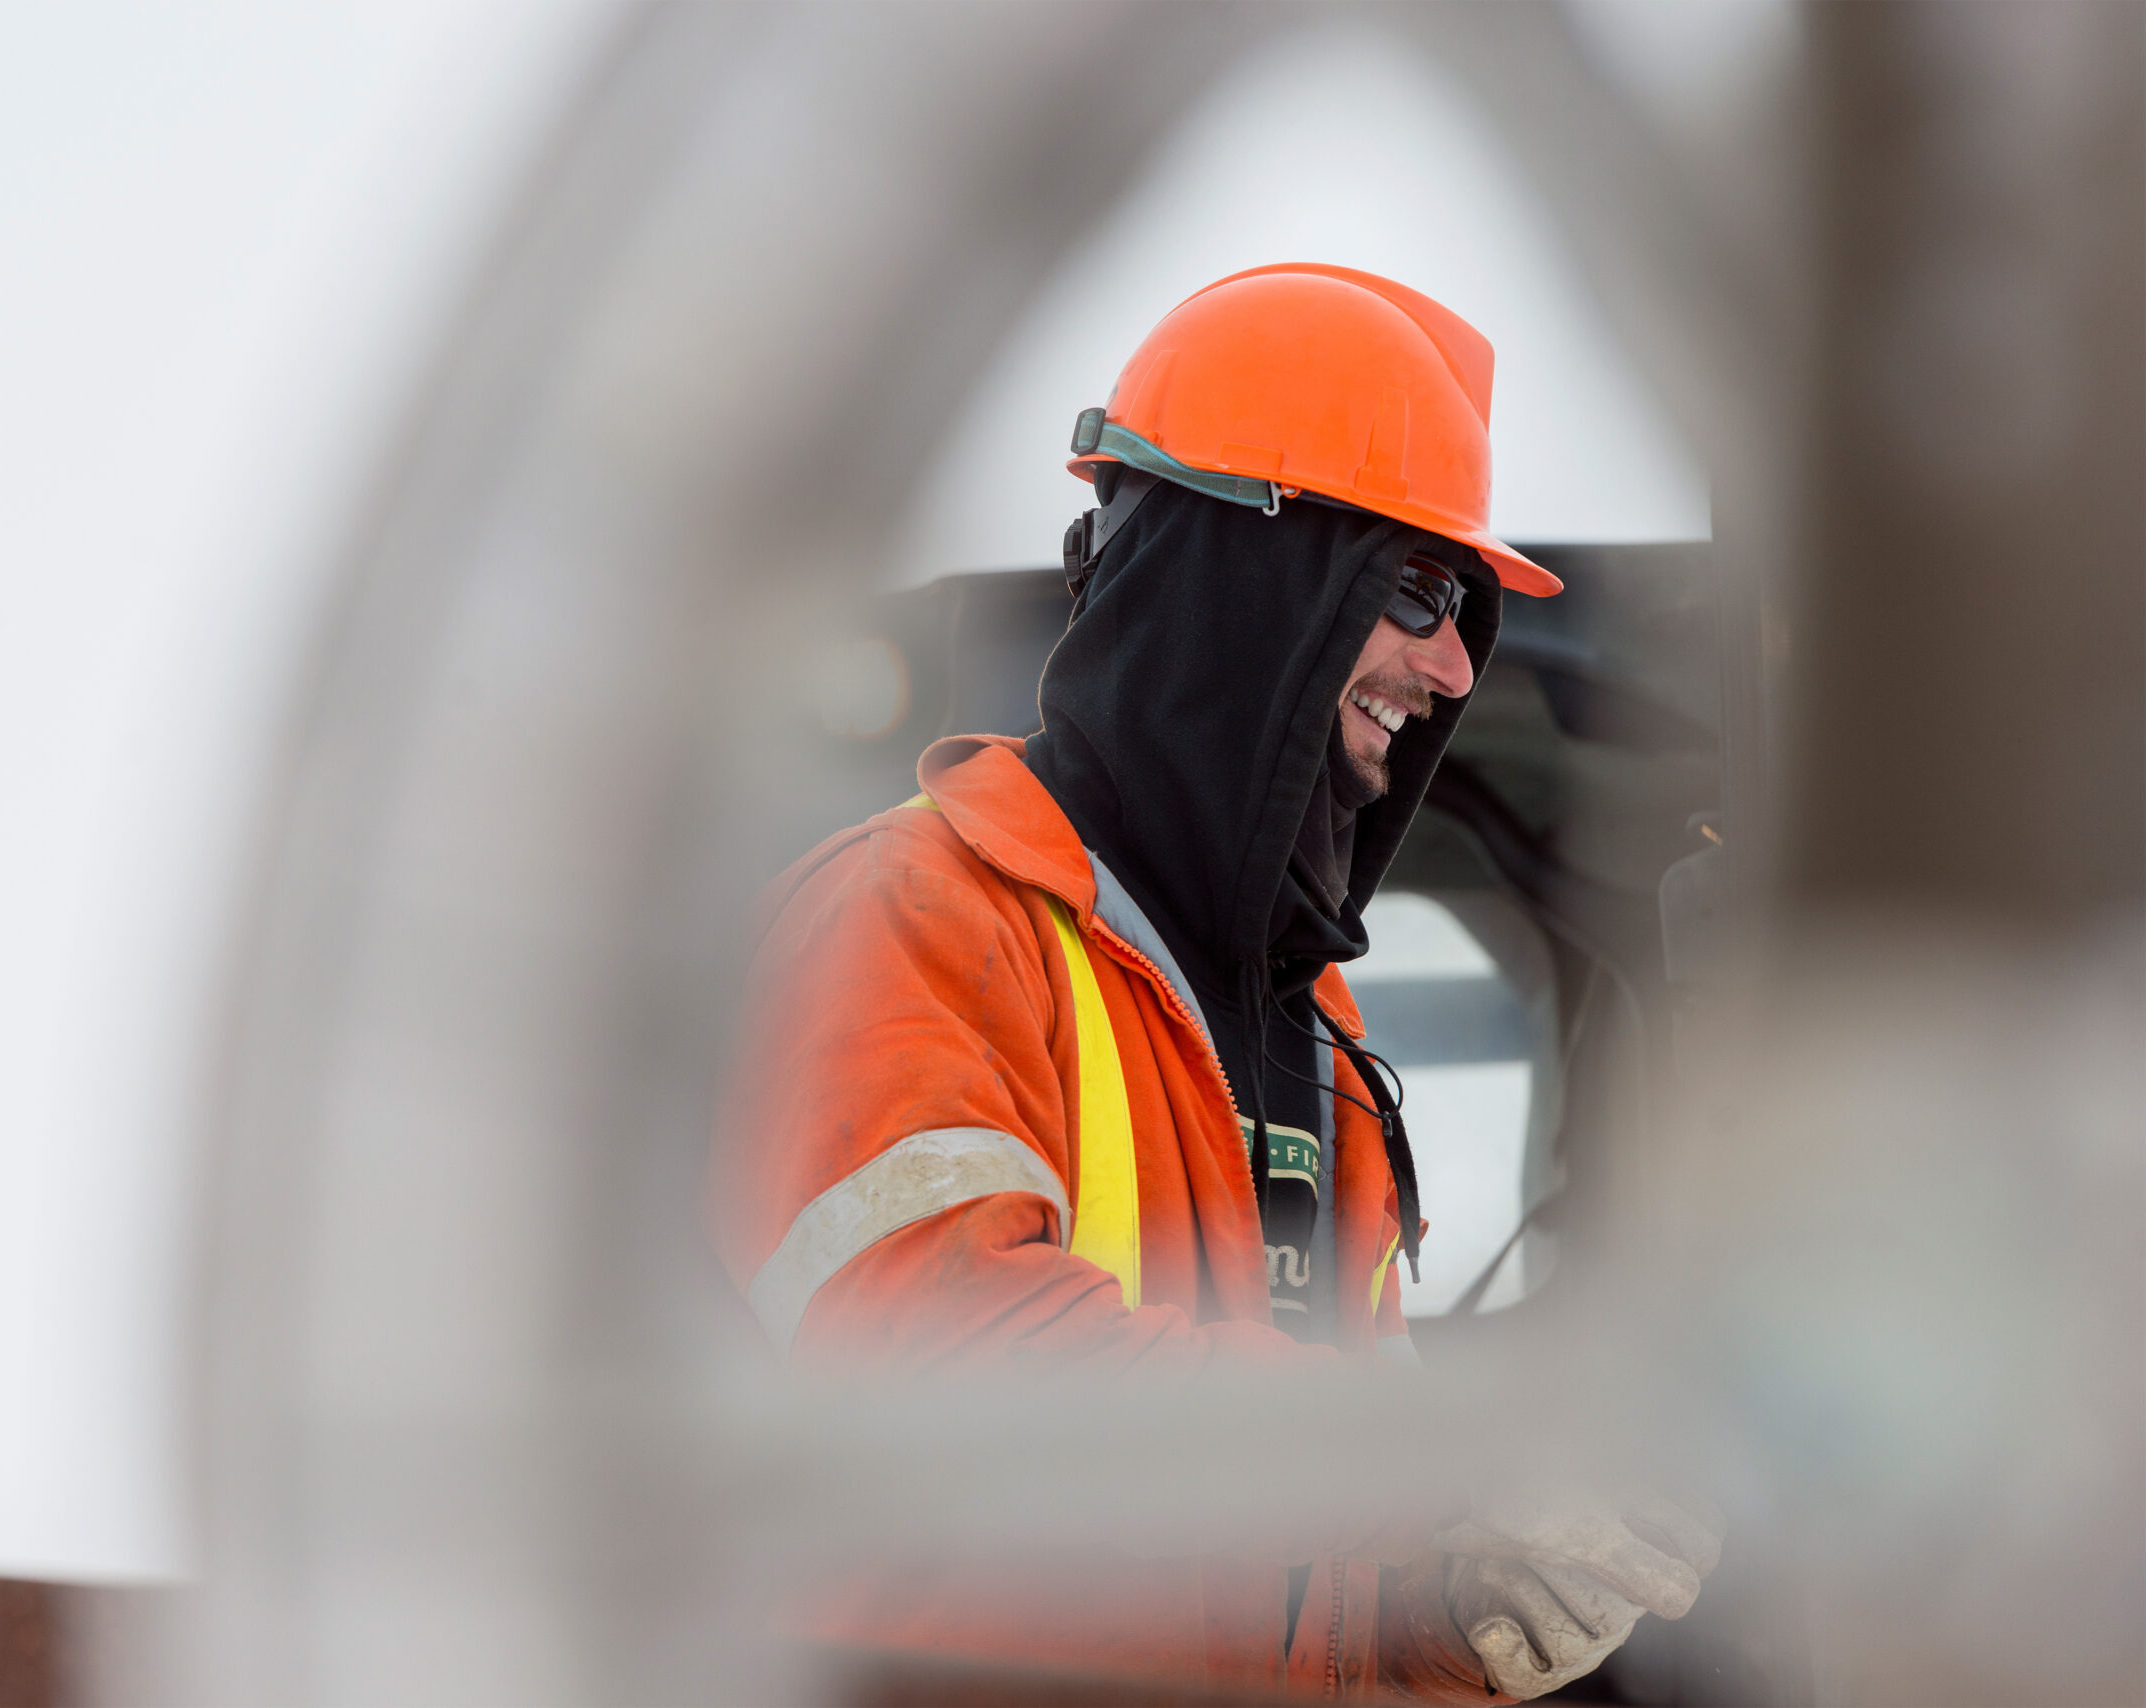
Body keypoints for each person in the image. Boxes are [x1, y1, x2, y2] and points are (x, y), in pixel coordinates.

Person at [708, 265, 1719, 1700]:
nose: (1448, 667)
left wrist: (1470, 1609)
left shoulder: (1324, 1061)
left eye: (1468, 615)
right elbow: (930, 1376)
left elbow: (1318, 1596)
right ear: (1253, 579)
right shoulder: (912, 918)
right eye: (1420, 590)